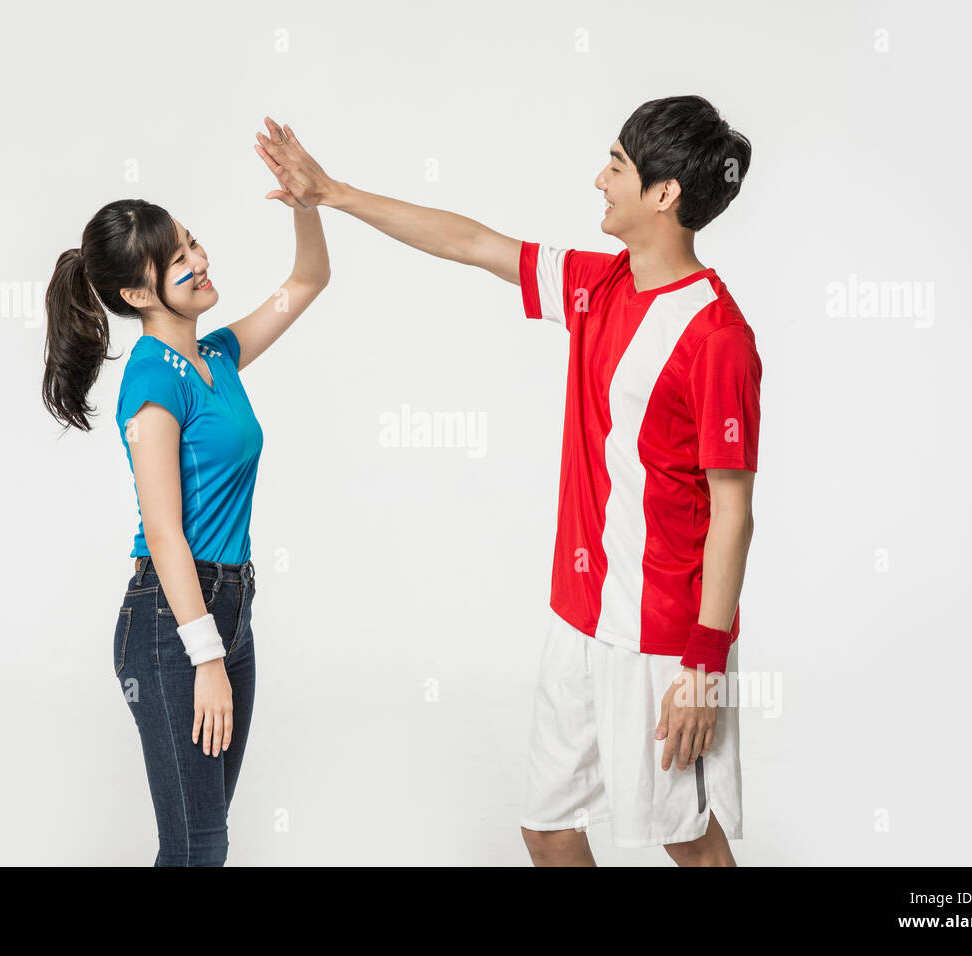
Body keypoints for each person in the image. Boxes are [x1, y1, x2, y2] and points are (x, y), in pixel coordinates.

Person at [251, 96, 759, 866]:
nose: (599, 178)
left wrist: (704, 665)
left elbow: (734, 514)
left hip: (663, 643)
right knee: (548, 830)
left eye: (617, 165)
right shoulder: (599, 285)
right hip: (577, 621)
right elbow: (468, 242)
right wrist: (333, 194)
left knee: (687, 845)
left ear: (665, 194)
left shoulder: (718, 337)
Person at [41, 193, 330, 865]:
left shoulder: (217, 358)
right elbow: (166, 531)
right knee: (198, 847)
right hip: (174, 624)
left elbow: (308, 280)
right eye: (178, 260)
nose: (200, 261)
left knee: (202, 846)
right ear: (138, 292)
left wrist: (307, 201)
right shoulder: (150, 379)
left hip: (230, 609)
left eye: (193, 242)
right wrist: (205, 656)